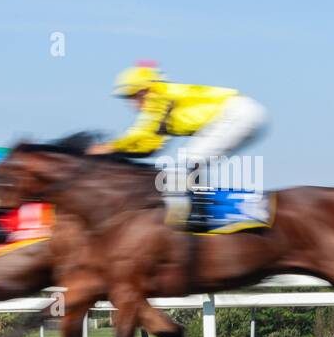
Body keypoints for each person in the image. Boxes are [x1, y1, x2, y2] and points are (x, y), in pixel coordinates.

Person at [87, 61, 268, 231]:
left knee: (188, 161)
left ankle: (199, 217)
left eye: (132, 97)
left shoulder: (159, 94)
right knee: (188, 163)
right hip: (244, 114)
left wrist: (109, 147)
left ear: (144, 91)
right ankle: (213, 211)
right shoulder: (162, 102)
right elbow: (149, 146)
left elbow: (141, 132)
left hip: (239, 114)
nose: (132, 104)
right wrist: (117, 152)